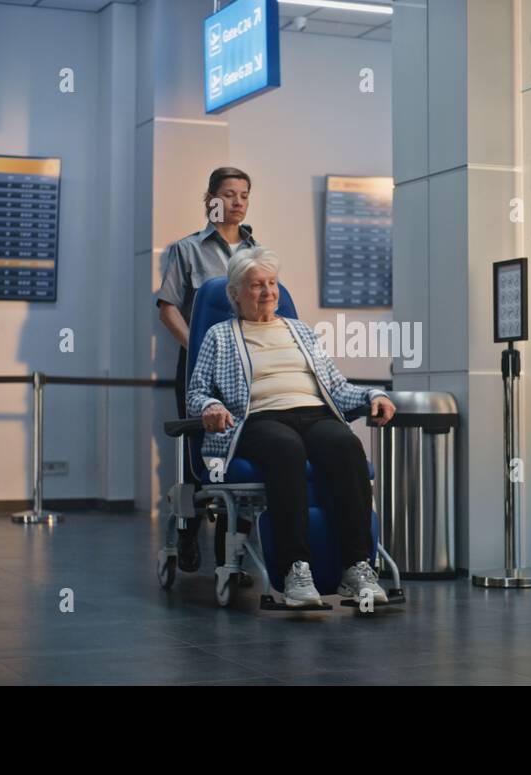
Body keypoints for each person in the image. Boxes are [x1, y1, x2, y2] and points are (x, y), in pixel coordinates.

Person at [186, 248, 397, 607]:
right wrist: (212, 406)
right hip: (259, 419)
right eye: (256, 285)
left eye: (272, 283)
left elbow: (337, 387)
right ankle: (295, 570)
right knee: (286, 450)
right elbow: (196, 392)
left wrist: (375, 394)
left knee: (346, 445)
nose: (268, 291)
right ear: (235, 294)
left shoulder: (300, 331)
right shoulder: (220, 336)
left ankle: (357, 567)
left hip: (315, 415)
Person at [155, 167, 259, 573]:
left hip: (245, 364)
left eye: (244, 195)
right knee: (197, 449)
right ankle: (187, 527)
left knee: (245, 444)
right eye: (229, 194)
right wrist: (199, 348)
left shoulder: (256, 253)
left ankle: (230, 549)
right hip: (198, 363)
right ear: (210, 199)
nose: (237, 202)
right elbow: (168, 308)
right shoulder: (187, 249)